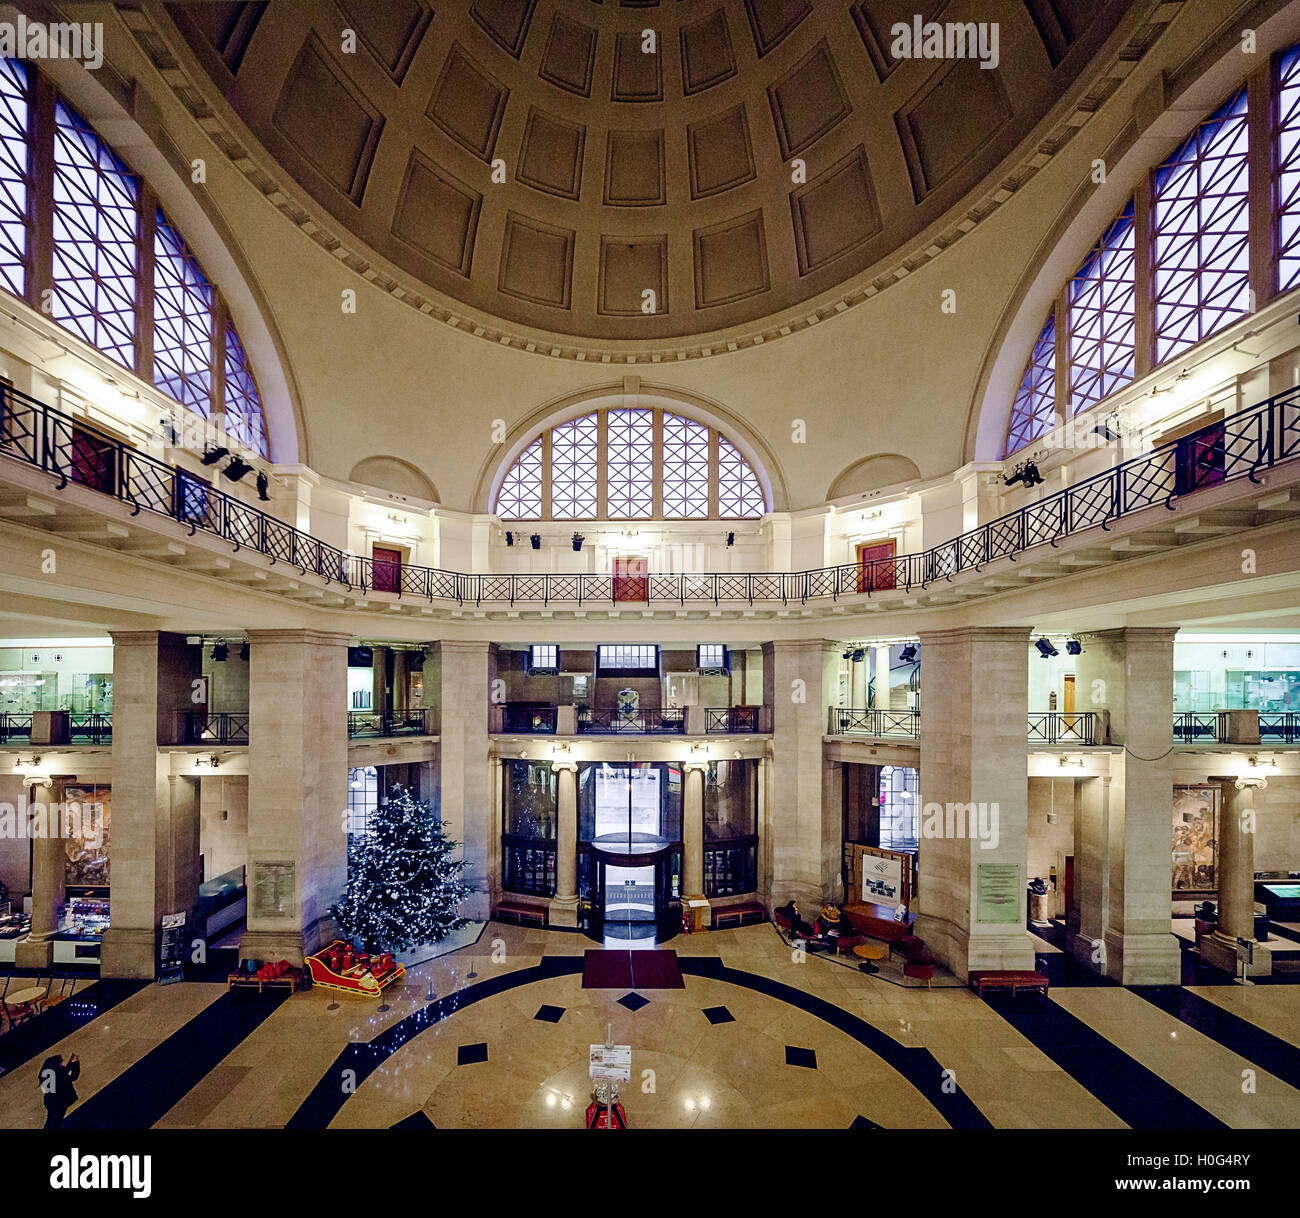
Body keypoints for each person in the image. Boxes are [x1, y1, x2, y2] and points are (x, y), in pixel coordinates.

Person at [39, 1052, 79, 1129]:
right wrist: (75, 1063)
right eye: (61, 1062)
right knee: (55, 1121)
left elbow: (63, 1072)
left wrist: (71, 1062)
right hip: (59, 1102)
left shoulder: (47, 1073)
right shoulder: (57, 1075)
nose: (62, 1063)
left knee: (52, 1120)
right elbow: (73, 1077)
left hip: (51, 1102)